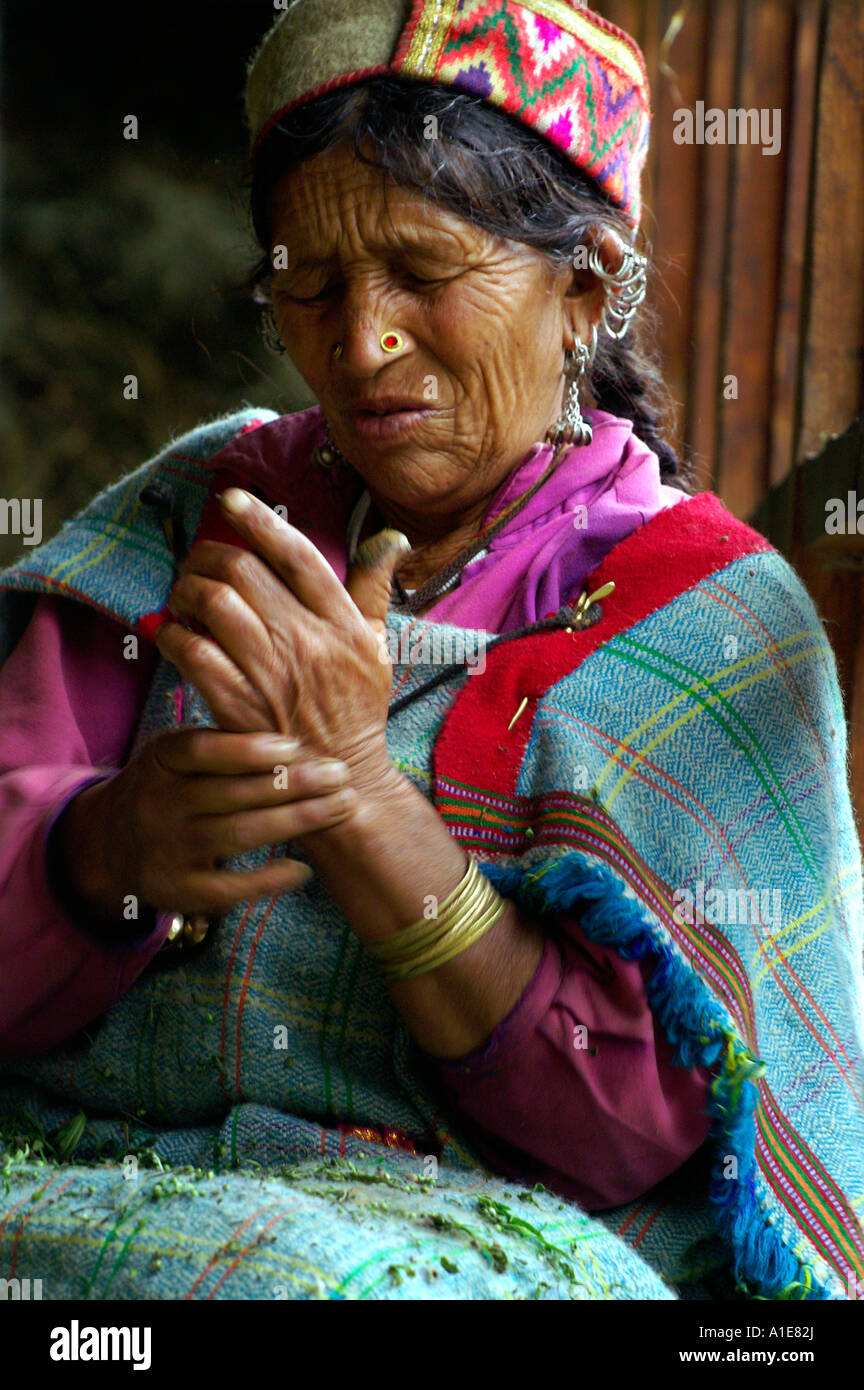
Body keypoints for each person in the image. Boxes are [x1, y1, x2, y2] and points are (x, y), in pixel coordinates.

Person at [1, 0, 862, 1302]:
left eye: (423, 269)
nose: (360, 343)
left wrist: (362, 800)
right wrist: (107, 852)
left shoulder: (702, 618)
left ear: (582, 287)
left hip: (458, 1232)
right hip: (79, 1168)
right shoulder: (200, 512)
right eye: (311, 280)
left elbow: (632, 1133)